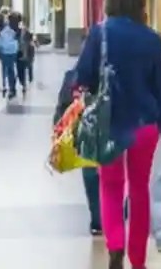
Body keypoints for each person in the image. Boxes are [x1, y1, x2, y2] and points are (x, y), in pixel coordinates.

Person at [75, 0, 161, 269]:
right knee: (140, 189)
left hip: (109, 122)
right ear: (141, 6)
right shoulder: (153, 39)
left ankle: (115, 246)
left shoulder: (100, 34)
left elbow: (82, 77)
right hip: (145, 125)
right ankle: (138, 258)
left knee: (110, 184)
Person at [54, 66, 102, 236]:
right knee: (108, 176)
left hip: (87, 134)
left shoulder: (73, 75)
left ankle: (98, 219)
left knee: (91, 175)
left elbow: (62, 106)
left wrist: (58, 131)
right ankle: (105, 216)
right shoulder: (117, 71)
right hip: (106, 133)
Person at [0, 15, 21, 99]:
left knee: (7, 68)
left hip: (5, 51)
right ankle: (10, 87)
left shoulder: (2, 30)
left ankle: (7, 86)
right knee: (10, 69)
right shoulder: (15, 29)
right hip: (12, 51)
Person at [14, 13, 36, 93]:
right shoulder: (18, 30)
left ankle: (25, 83)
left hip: (25, 52)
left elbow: (32, 40)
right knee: (21, 69)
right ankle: (24, 83)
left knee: (24, 67)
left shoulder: (26, 30)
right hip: (20, 52)